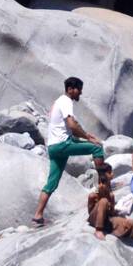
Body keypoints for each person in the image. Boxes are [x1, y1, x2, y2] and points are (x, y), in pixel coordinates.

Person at [33, 77, 105, 226]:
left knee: (51, 183)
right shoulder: (66, 101)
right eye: (79, 89)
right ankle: (104, 185)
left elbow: (70, 128)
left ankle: (37, 216)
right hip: (63, 145)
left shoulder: (58, 102)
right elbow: (71, 125)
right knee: (97, 148)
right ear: (71, 89)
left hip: (53, 147)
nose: (81, 93)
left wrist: (86, 136)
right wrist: (87, 138)